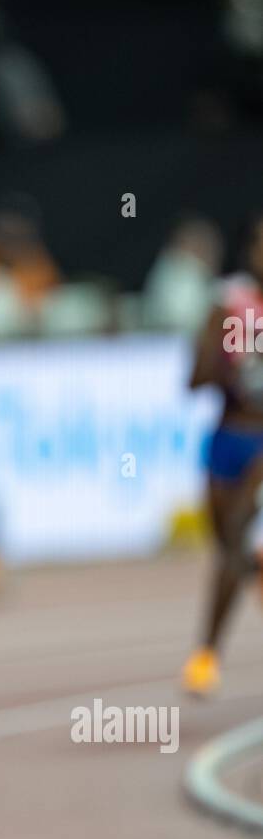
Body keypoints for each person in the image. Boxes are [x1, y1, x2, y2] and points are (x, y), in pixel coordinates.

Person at [183, 210, 263, 695]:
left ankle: (205, 655)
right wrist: (233, 368)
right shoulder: (228, 302)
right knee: (225, 549)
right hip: (225, 438)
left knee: (233, 540)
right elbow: (194, 379)